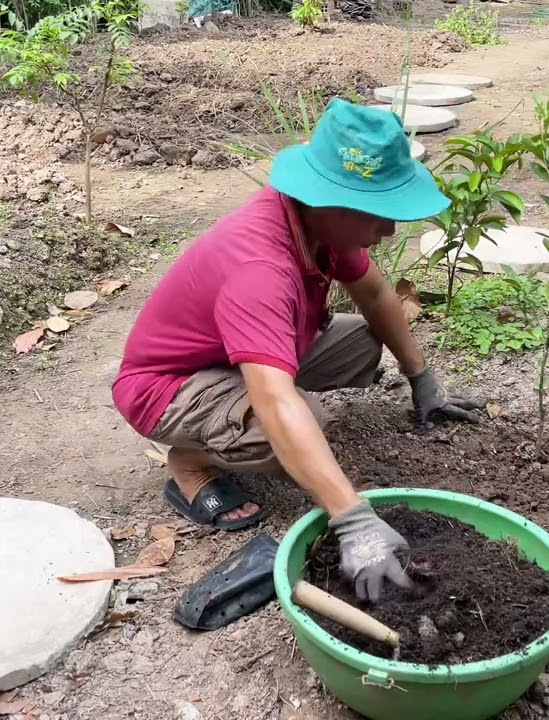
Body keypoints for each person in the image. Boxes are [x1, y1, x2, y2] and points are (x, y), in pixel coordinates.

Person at [111, 98, 482, 601]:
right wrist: (354, 520)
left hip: (236, 355)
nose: (390, 231)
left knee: (363, 342)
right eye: (380, 215)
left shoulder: (319, 223)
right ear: (331, 201)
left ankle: (248, 411)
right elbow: (275, 402)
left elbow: (376, 294)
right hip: (166, 388)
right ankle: (190, 461)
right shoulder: (259, 270)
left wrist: (423, 380)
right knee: (296, 421)